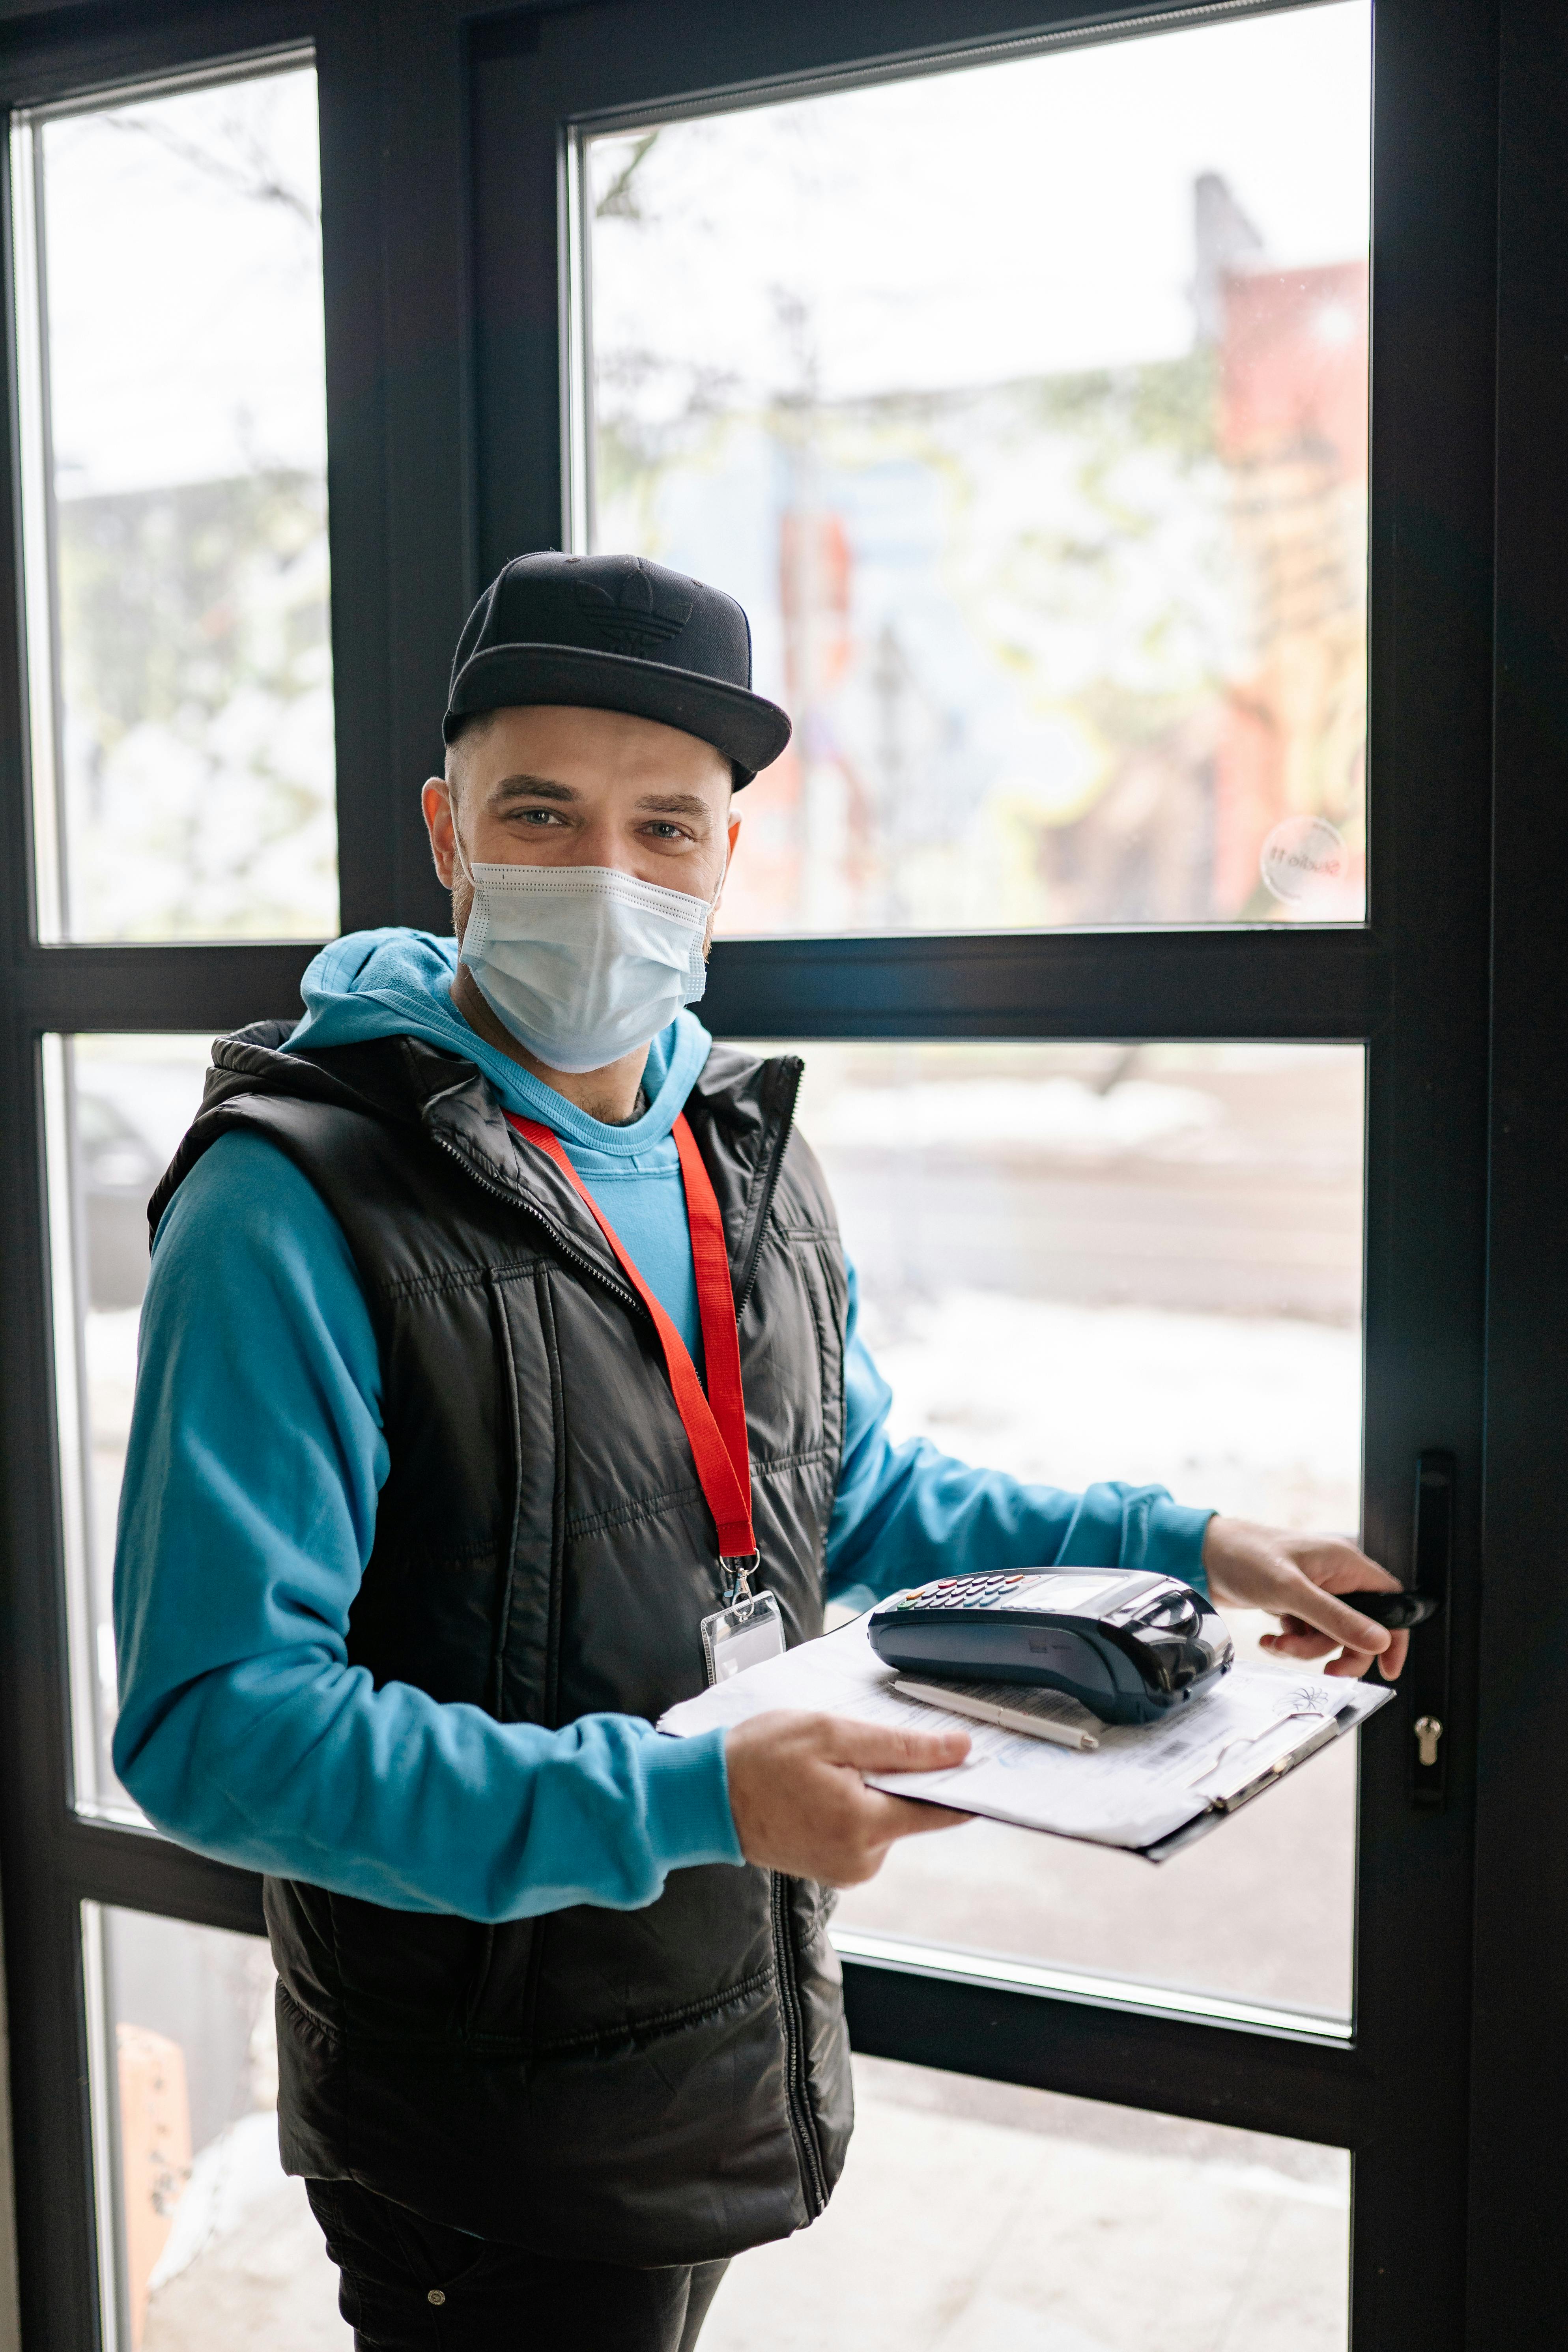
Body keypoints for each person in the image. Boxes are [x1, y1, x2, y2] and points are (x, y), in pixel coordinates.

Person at [113, 551, 1407, 2352]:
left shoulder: (739, 1144)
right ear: (447, 832)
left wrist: (1194, 1542)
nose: (607, 876)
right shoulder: (292, 1199)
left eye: (668, 830)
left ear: (729, 856)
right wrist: (692, 1802)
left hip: (713, 2029)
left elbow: (856, 1491)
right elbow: (217, 1730)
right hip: (474, 2120)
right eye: (542, 814)